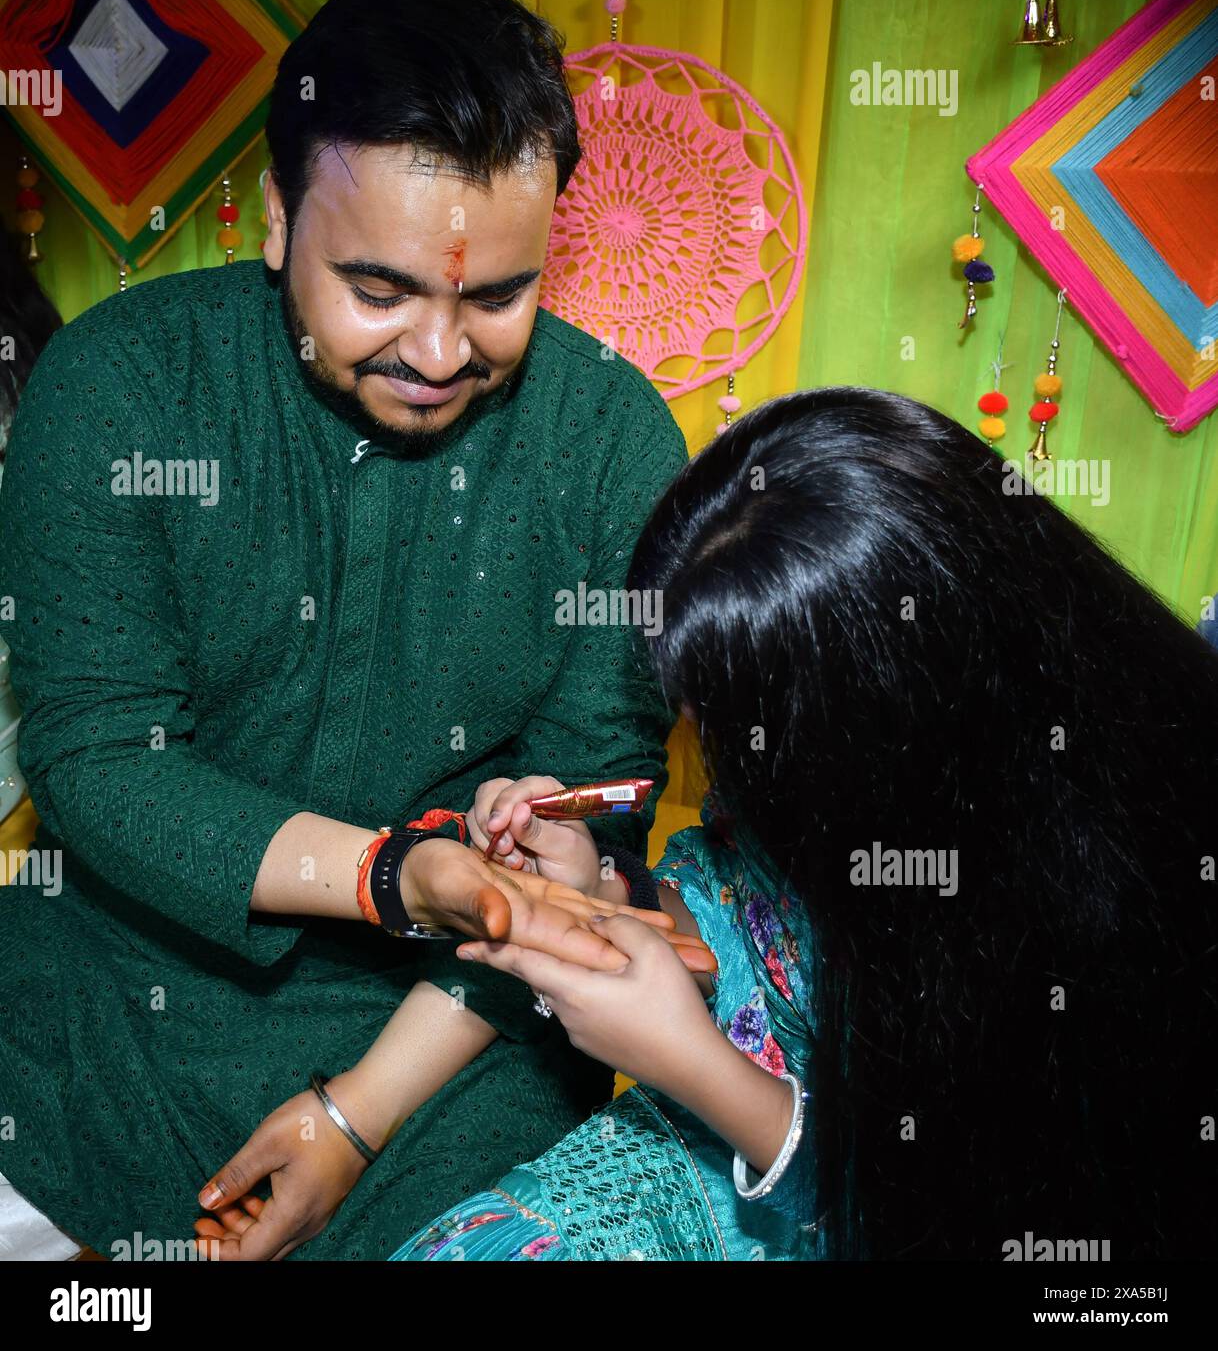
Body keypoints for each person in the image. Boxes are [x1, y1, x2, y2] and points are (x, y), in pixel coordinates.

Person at [0, 0, 688, 1260]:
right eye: (378, 291)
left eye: (497, 298)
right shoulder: (114, 391)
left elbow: (592, 813)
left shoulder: (614, 443)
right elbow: (94, 759)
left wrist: (355, 1117)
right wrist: (391, 872)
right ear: (274, 221)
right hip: (104, 1002)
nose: (438, 357)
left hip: (456, 1038)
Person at [390, 386, 1218, 1261]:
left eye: (740, 746)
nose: (709, 763)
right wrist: (605, 887)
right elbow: (758, 917)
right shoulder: (874, 770)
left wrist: (696, 1068)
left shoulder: (1137, 917)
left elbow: (995, 1206)